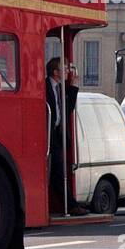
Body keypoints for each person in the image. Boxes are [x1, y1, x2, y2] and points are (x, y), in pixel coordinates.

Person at [46, 57, 87, 216]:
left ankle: (70, 205)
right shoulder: (45, 86)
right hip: (47, 134)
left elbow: (67, 109)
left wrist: (74, 86)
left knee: (58, 172)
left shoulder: (60, 88)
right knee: (56, 173)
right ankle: (70, 206)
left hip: (57, 135)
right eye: (64, 68)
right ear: (55, 72)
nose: (67, 71)